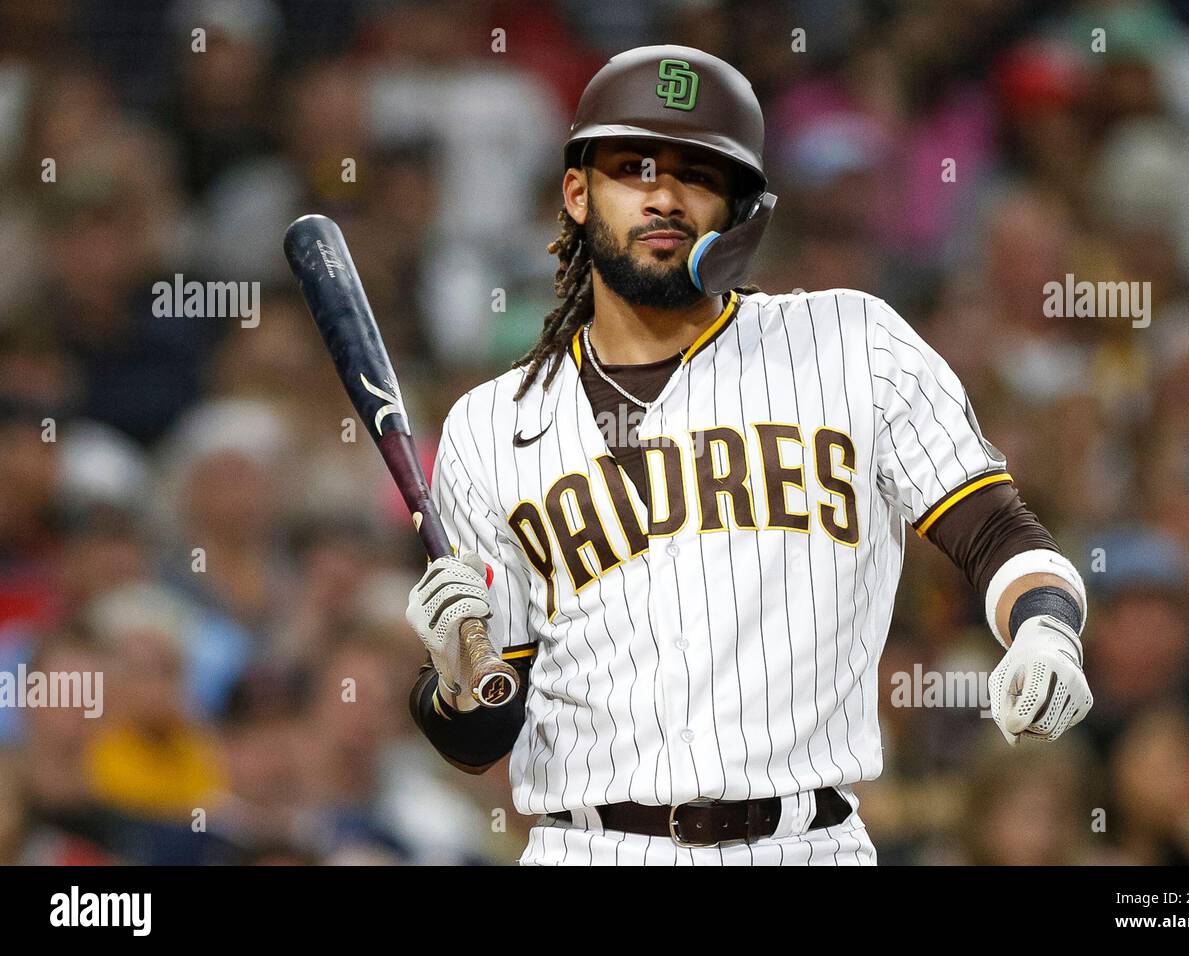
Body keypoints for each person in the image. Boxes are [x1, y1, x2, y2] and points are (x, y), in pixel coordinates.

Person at [404, 45, 1093, 865]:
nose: (664, 194)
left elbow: (997, 531)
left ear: (740, 210)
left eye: (698, 174)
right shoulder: (491, 422)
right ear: (578, 194)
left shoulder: (851, 342)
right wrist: (452, 680)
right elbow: (482, 734)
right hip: (589, 848)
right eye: (634, 167)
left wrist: (1047, 633)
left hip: (808, 844)